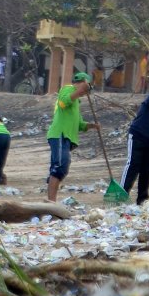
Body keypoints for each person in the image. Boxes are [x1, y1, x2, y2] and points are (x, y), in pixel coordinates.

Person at [46, 71, 99, 203]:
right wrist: (79, 91)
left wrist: (92, 125)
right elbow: (63, 102)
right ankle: (51, 203)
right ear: (81, 82)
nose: (85, 92)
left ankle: (51, 201)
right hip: (59, 134)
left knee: (61, 167)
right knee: (60, 167)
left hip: (67, 138)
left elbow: (80, 124)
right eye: (85, 88)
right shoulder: (67, 89)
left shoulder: (76, 102)